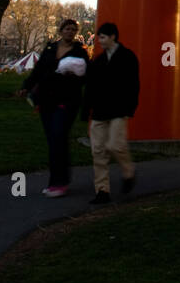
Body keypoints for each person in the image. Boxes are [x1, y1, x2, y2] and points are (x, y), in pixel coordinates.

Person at [18, 18, 88, 197]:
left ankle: (60, 182)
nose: (70, 32)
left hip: (67, 101)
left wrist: (75, 75)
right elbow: (39, 70)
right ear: (61, 30)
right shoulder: (50, 49)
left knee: (58, 136)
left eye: (73, 29)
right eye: (67, 28)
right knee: (53, 140)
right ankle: (57, 181)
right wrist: (26, 86)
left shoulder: (80, 52)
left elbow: (85, 76)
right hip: (47, 100)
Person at [81, 22, 140, 205]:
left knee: (115, 145)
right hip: (99, 112)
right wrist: (86, 110)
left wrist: (130, 108)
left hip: (119, 110)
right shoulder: (97, 62)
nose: (100, 41)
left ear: (113, 36)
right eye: (99, 37)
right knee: (98, 151)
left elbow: (133, 84)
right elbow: (90, 88)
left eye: (103, 37)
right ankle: (102, 191)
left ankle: (128, 171)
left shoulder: (128, 57)